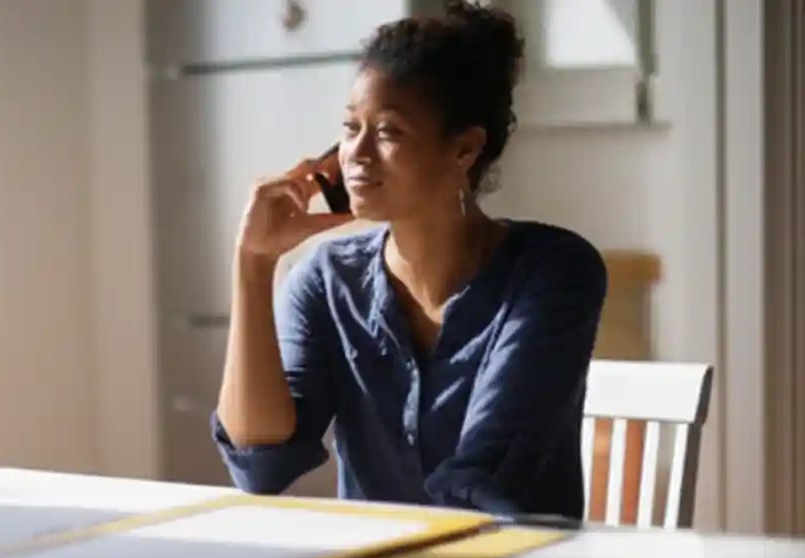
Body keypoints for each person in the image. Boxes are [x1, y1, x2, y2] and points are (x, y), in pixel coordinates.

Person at [212, 1, 607, 518]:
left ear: (464, 149)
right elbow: (261, 465)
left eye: (388, 132)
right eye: (351, 128)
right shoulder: (326, 280)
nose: (356, 154)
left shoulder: (555, 273)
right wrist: (253, 265)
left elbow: (481, 479)